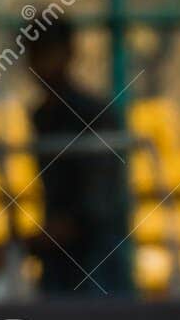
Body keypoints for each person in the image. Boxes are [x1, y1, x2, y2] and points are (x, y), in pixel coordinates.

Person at [22, 17, 132, 297]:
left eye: (48, 53)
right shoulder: (41, 118)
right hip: (58, 267)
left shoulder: (96, 115)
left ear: (69, 52)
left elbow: (100, 202)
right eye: (35, 54)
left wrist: (57, 233)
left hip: (99, 261)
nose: (42, 65)